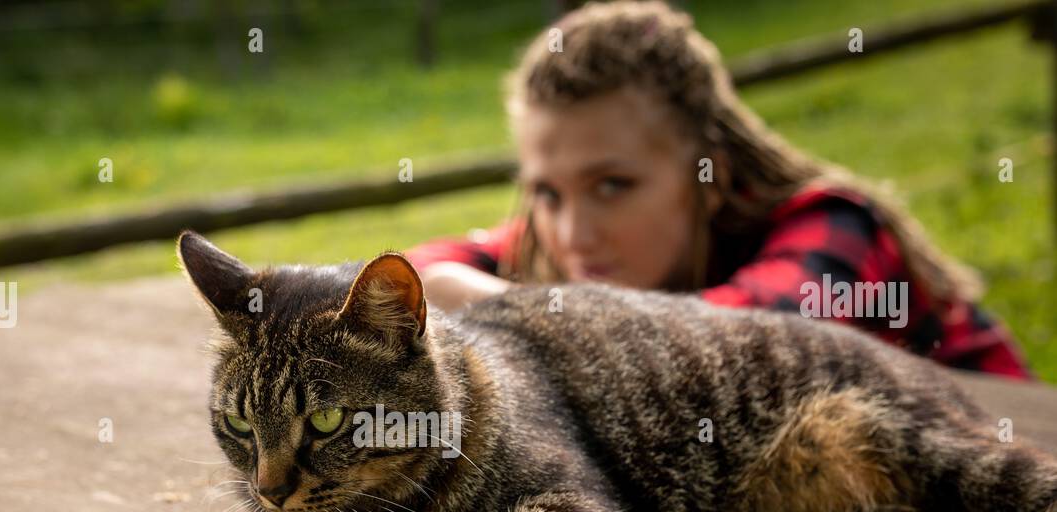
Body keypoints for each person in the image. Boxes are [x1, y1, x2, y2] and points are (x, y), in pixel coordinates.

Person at [405, 0, 1031, 380]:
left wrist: (506, 309)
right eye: (548, 193)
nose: (573, 234)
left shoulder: (838, 228)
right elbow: (409, 273)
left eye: (612, 185)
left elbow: (740, 348)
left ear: (710, 180)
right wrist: (432, 286)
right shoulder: (554, 239)